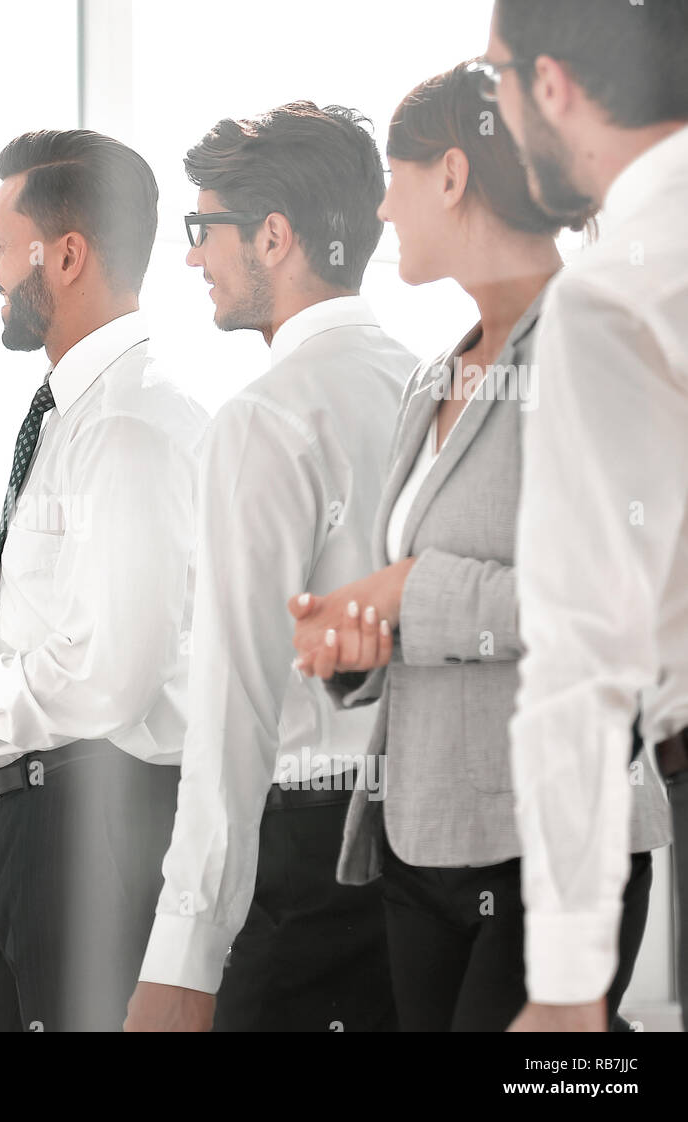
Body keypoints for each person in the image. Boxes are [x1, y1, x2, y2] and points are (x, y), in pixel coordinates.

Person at [288, 61, 671, 1032]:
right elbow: (421, 609)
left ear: (450, 174)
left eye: (395, 175)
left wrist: (411, 593)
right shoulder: (429, 383)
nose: (381, 206)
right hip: (421, 845)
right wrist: (356, 641)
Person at [0, 130, 208, 1031]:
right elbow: (76, 637)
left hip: (93, 834)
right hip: (33, 832)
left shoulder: (131, 424)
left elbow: (109, 678)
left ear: (65, 254)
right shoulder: (76, 415)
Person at [126, 103, 415, 1032]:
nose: (191, 257)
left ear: (276, 237)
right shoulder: (433, 388)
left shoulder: (262, 420)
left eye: (203, 229)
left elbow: (232, 705)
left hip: (301, 861)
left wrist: (183, 956)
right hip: (422, 861)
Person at [481, 0, 688, 1031]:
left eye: (498, 82)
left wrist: (564, 986)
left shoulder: (613, 290)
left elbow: (580, 648)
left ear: (551, 85)